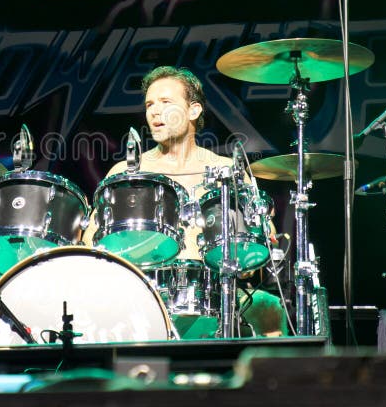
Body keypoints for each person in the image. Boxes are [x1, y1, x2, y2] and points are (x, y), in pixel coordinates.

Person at [82, 65, 289, 338]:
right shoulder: (126, 172)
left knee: (271, 308)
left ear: (194, 110)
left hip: (216, 290)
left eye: (166, 102)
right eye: (149, 104)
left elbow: (263, 236)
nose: (154, 111)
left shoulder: (227, 169)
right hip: (145, 293)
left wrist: (254, 246)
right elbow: (90, 240)